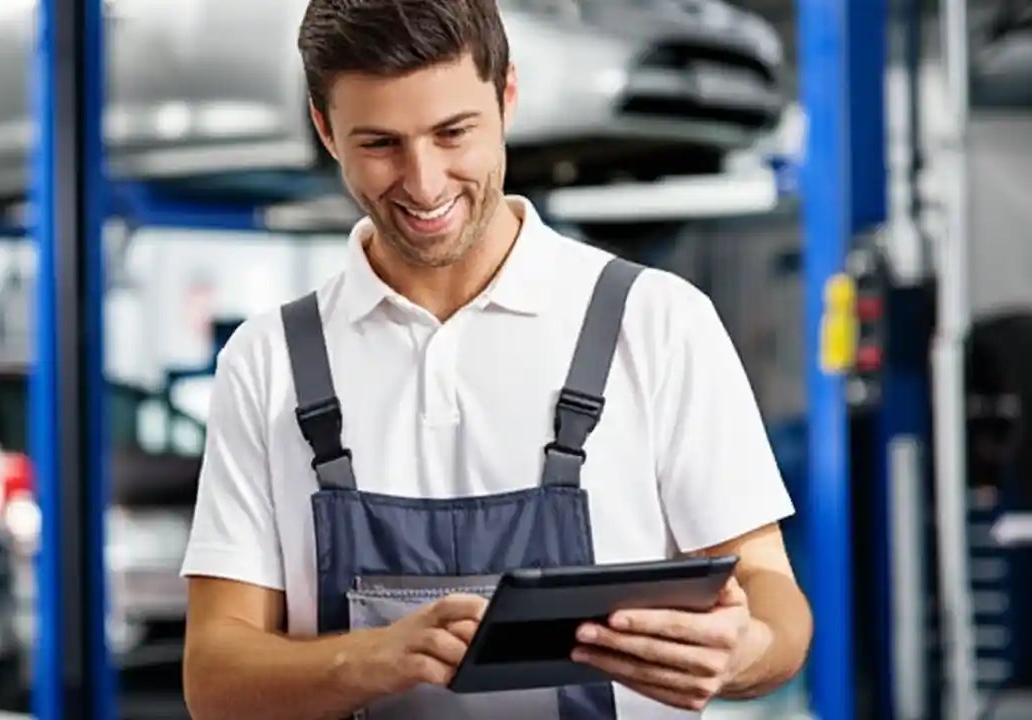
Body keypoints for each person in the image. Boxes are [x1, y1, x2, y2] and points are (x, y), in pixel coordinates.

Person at [180, 0, 813, 717]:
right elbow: (215, 680)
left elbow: (774, 599)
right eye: (380, 144)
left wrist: (742, 653)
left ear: (507, 94)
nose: (423, 183)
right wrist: (370, 659)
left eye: (453, 133)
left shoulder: (656, 321)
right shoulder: (270, 363)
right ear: (325, 129)